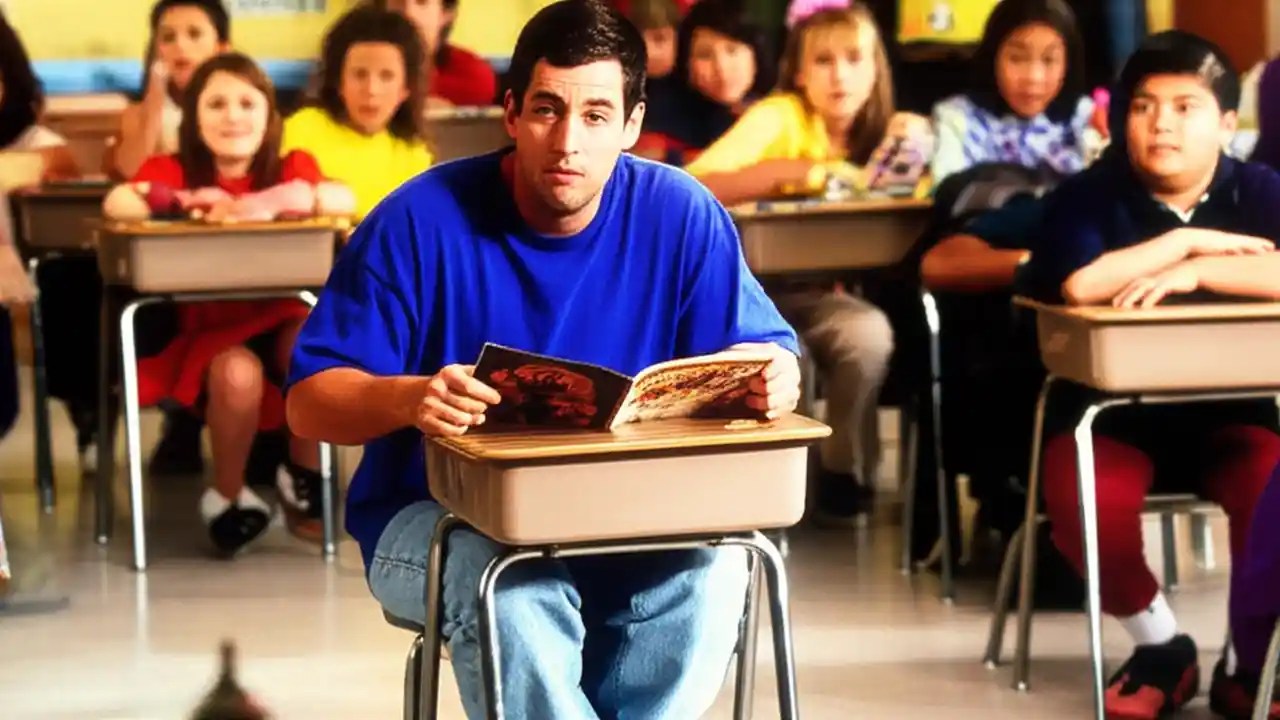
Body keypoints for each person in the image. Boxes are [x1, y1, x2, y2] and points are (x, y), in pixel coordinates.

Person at [284, 2, 801, 717]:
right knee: (513, 587)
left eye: (595, 116)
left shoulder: (683, 214)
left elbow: (767, 350)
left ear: (631, 124)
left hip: (634, 520)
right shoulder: (416, 219)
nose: (567, 142)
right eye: (546, 110)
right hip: (436, 521)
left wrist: (779, 371)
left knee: (713, 578)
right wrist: (408, 398)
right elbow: (309, 400)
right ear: (509, 113)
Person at [1023, 31, 1280, 718]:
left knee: (1273, 488)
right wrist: (1182, 241)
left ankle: (1250, 661)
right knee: (1084, 500)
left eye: (1185, 106)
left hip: (1238, 417)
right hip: (1112, 420)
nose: (1161, 122)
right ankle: (1163, 647)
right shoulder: (1087, 194)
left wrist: (1198, 273)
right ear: (1121, 119)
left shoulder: (1260, 190)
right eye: (1143, 105)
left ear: (1228, 124)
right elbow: (1080, 285)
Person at [686, 0, 930, 522]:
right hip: (751, 292)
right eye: (823, 61)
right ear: (799, 72)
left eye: (853, 59)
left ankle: (841, 468)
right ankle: (777, 488)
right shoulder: (778, 116)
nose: (839, 75)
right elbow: (696, 184)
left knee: (870, 336)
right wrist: (794, 170)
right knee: (789, 358)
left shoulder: (889, 132)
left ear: (875, 69)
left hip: (826, 294)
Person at [103, 53, 356, 555]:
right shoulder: (172, 169)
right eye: (216, 104)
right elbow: (119, 203)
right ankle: (228, 494)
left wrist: (258, 205)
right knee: (236, 375)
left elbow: (338, 199)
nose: (233, 115)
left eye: (246, 103)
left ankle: (303, 476)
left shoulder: (289, 167)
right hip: (205, 330)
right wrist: (185, 202)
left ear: (268, 117)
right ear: (194, 115)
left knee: (312, 338)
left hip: (282, 315)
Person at [284, 6, 432, 219]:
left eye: (387, 76)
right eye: (360, 74)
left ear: (406, 89)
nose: (371, 90)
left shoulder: (414, 154)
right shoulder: (301, 129)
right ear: (338, 81)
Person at [929, 0, 1098, 186]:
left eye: (1049, 60)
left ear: (1068, 64)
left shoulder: (1086, 118)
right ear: (993, 57)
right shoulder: (957, 120)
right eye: (1017, 59)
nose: (1033, 77)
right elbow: (949, 196)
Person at [635, 0, 772, 166]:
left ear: (755, 52)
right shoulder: (659, 118)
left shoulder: (782, 111)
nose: (721, 68)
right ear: (686, 64)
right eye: (704, 55)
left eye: (732, 50)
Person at [374, 0, 497, 107]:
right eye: (398, 1)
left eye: (422, 2)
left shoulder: (472, 74)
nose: (408, 13)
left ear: (446, 13)